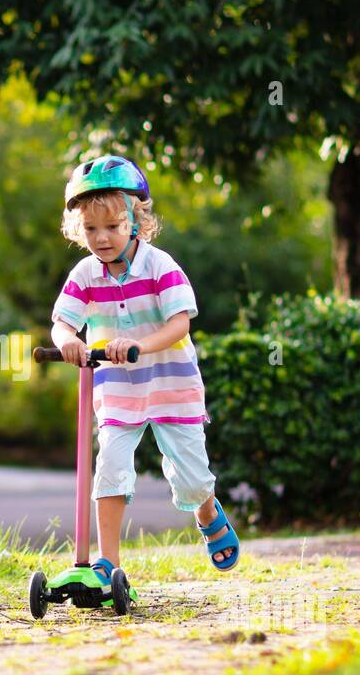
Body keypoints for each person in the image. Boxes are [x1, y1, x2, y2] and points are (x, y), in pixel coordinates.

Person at [49, 154, 240, 584]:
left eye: (112, 227)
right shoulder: (85, 273)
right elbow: (62, 321)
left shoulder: (160, 266)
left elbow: (180, 323)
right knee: (111, 467)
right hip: (117, 389)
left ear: (135, 221)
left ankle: (207, 511)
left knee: (191, 480)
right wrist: (69, 344)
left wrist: (139, 344)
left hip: (172, 384)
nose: (101, 238)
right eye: (90, 228)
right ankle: (107, 563)